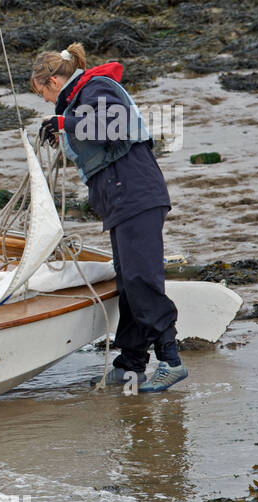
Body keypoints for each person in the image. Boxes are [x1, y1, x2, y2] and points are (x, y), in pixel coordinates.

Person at [30, 41, 186, 393]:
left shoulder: (96, 87)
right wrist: (64, 126)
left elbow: (112, 126)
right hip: (121, 199)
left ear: (53, 81)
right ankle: (130, 366)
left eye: (40, 91)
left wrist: (62, 121)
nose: (42, 99)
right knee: (129, 281)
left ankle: (171, 360)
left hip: (136, 194)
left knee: (142, 279)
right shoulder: (81, 97)